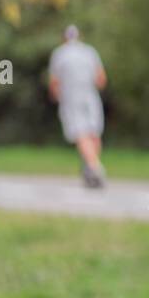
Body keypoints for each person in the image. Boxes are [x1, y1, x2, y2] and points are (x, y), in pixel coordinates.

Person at [47, 25, 108, 189]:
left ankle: (95, 167)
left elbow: (54, 82)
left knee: (80, 132)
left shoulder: (60, 53)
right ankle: (90, 167)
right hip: (90, 94)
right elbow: (101, 79)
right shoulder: (90, 52)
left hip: (71, 96)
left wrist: (55, 95)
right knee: (93, 133)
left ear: (64, 38)